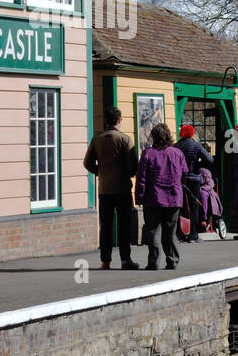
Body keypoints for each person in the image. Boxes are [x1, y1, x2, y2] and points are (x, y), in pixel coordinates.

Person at [83, 107, 140, 270]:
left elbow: (87, 163)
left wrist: (100, 172)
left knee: (105, 225)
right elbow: (132, 165)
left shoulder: (96, 139)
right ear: (119, 120)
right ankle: (125, 260)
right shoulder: (125, 139)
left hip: (104, 189)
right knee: (124, 225)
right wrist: (128, 173)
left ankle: (105, 260)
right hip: (122, 188)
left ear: (105, 120)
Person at [133, 123, 187, 271]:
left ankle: (153, 262)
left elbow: (141, 178)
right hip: (174, 198)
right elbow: (184, 173)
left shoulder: (148, 154)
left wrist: (139, 197)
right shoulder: (177, 153)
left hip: (153, 199)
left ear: (154, 137)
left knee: (153, 231)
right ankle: (172, 260)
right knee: (170, 232)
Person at [174, 125, 214, 242]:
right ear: (192, 134)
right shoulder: (196, 146)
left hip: (181, 179)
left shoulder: (177, 146)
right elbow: (210, 160)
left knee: (180, 206)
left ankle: (180, 235)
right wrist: (198, 163)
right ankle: (193, 235)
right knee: (194, 207)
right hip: (194, 179)